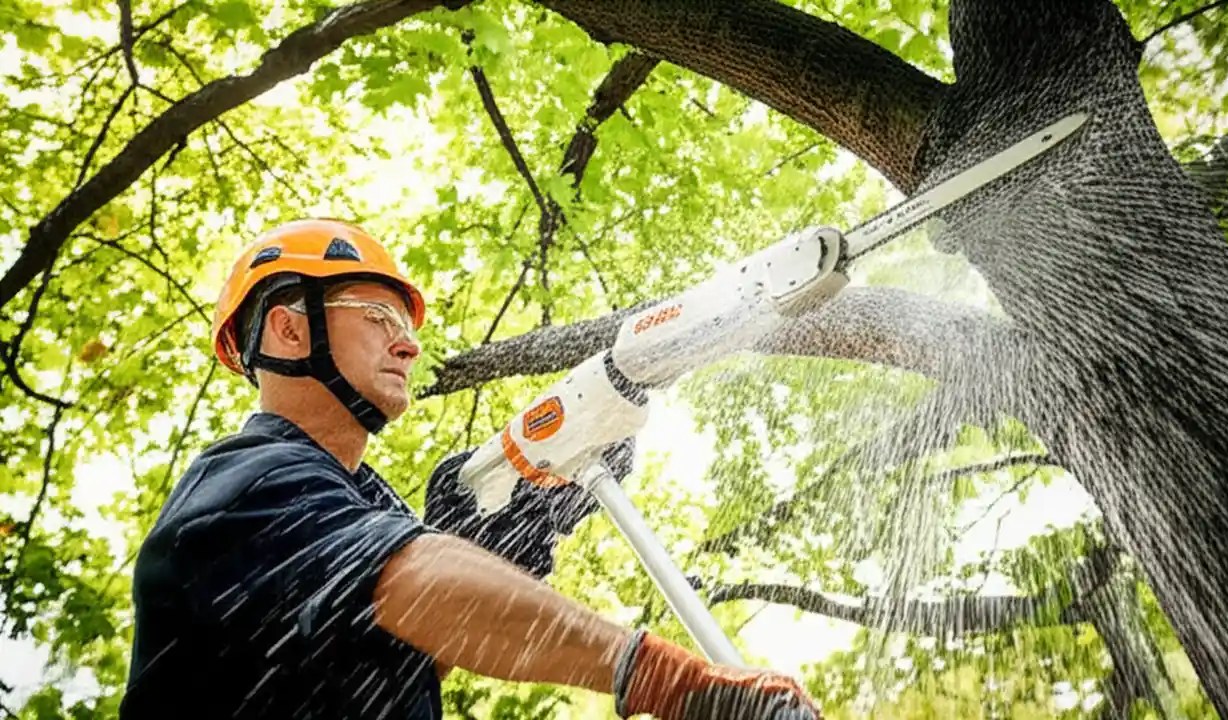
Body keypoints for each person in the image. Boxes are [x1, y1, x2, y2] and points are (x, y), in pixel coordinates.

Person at [119, 219, 821, 719]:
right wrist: (669, 679)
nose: (409, 346)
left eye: (410, 328)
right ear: (289, 329)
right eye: (379, 317)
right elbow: (417, 589)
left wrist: (499, 530)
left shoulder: (353, 506)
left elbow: (420, 637)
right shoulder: (239, 488)